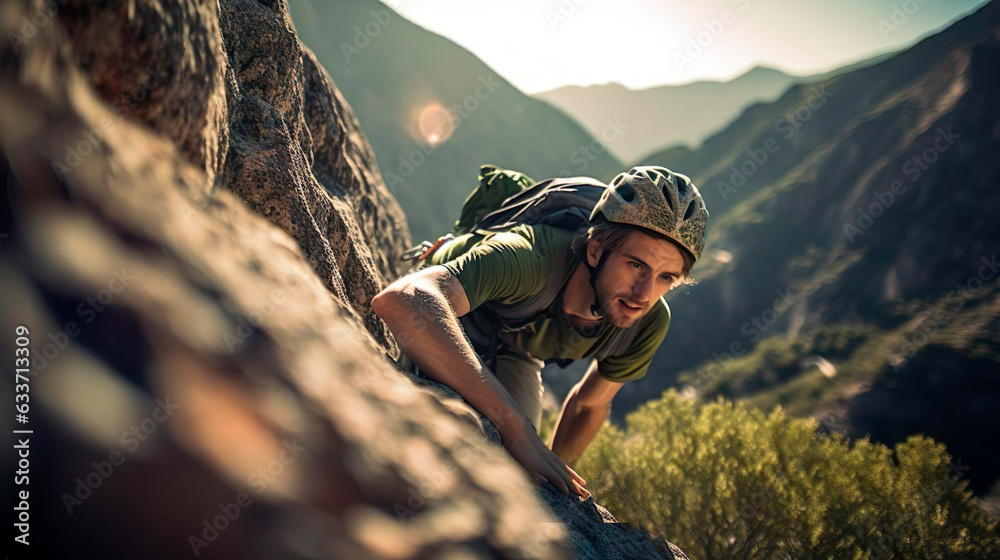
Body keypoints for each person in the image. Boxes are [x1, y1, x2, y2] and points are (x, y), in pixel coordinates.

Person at [371, 166, 709, 499]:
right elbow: (404, 302)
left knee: (525, 481)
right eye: (637, 265)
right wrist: (514, 427)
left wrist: (559, 478)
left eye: (667, 277)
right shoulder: (527, 257)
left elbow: (588, 406)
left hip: (517, 345)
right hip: (455, 316)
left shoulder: (648, 321)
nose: (644, 294)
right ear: (595, 251)